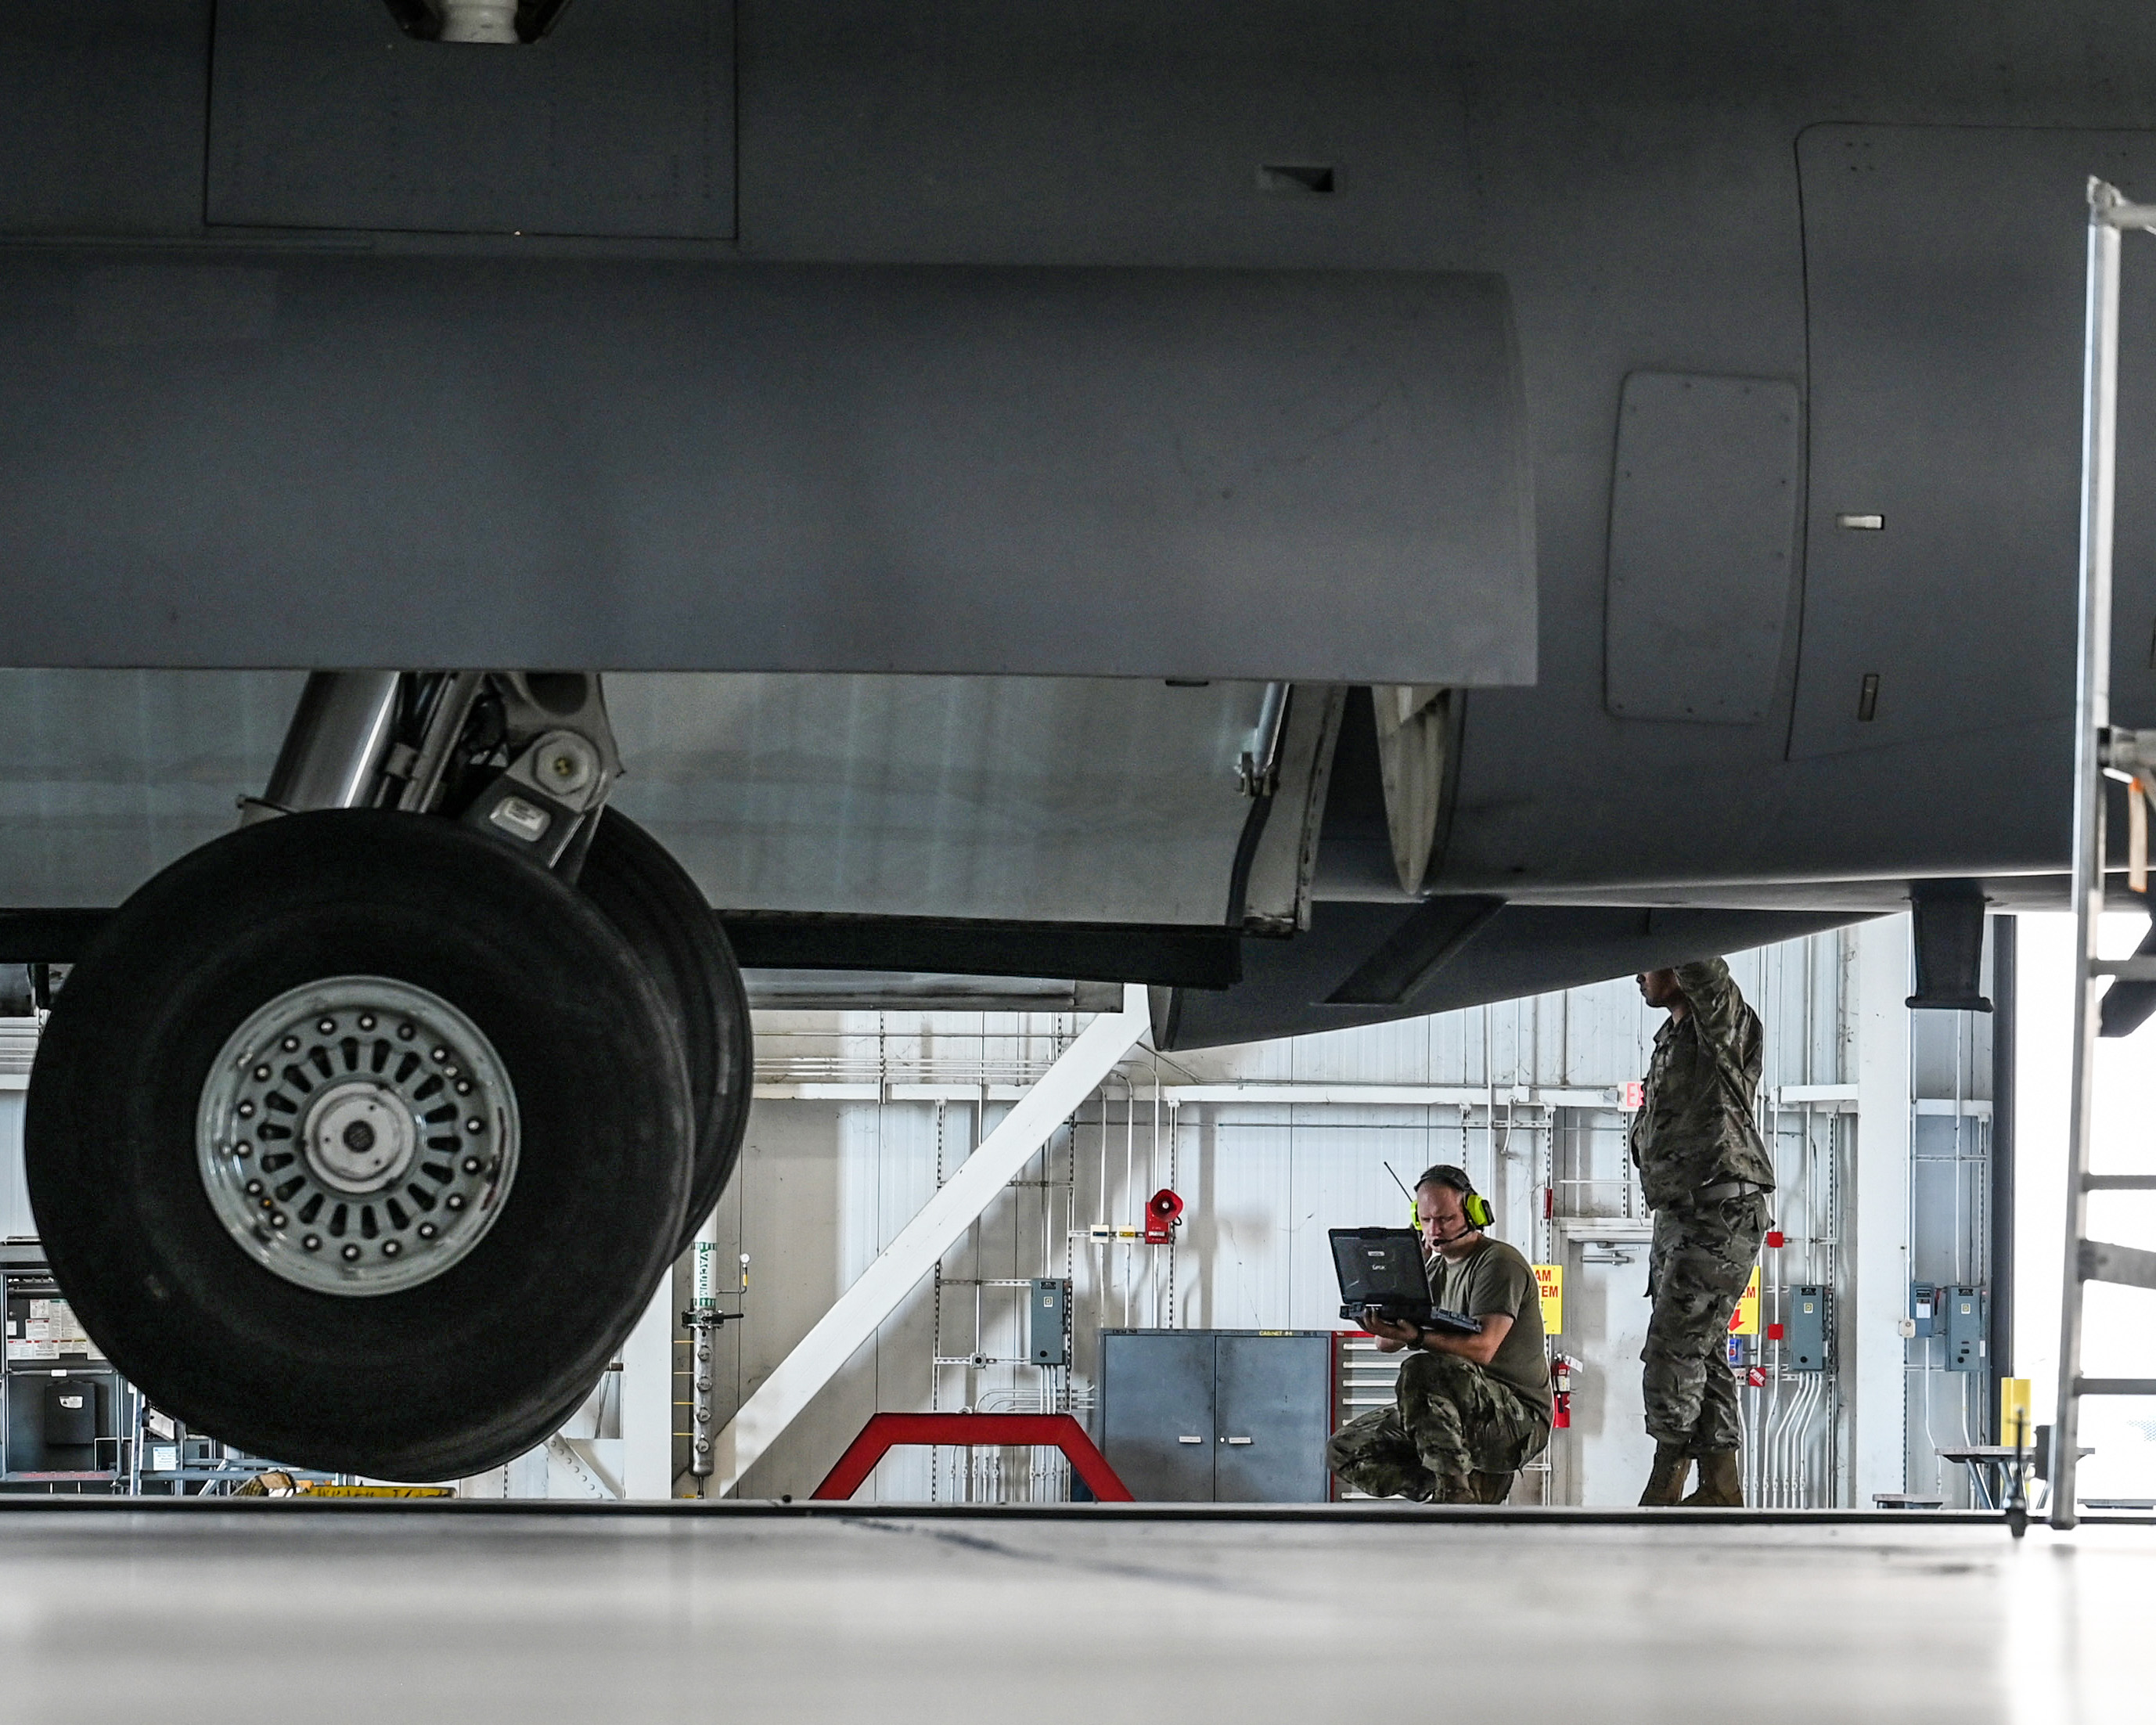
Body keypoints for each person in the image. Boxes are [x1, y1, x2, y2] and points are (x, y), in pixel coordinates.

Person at [1632, 960, 1775, 1507]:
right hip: (1680, 1216)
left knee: (1671, 1349)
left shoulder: (1720, 1025)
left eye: (1646, 964)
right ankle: (1719, 1484)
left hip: (1717, 1212)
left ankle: (1664, 1480)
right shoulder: (1670, 1040)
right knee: (1701, 1348)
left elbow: (1702, 962)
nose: (1637, 975)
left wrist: (1669, 914)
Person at [1326, 1165, 1551, 1504]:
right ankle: (1451, 1481)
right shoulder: (1433, 1270)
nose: (1435, 1230)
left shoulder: (1498, 1263)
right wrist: (1398, 1286)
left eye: (1445, 1219)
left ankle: (1456, 1492)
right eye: (1427, 1220)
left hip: (1515, 1418)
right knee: (1345, 1449)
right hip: (1453, 1410)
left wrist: (1417, 1337)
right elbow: (1385, 1343)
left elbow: (1483, 1348)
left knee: (1422, 1369)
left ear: (1474, 1213)